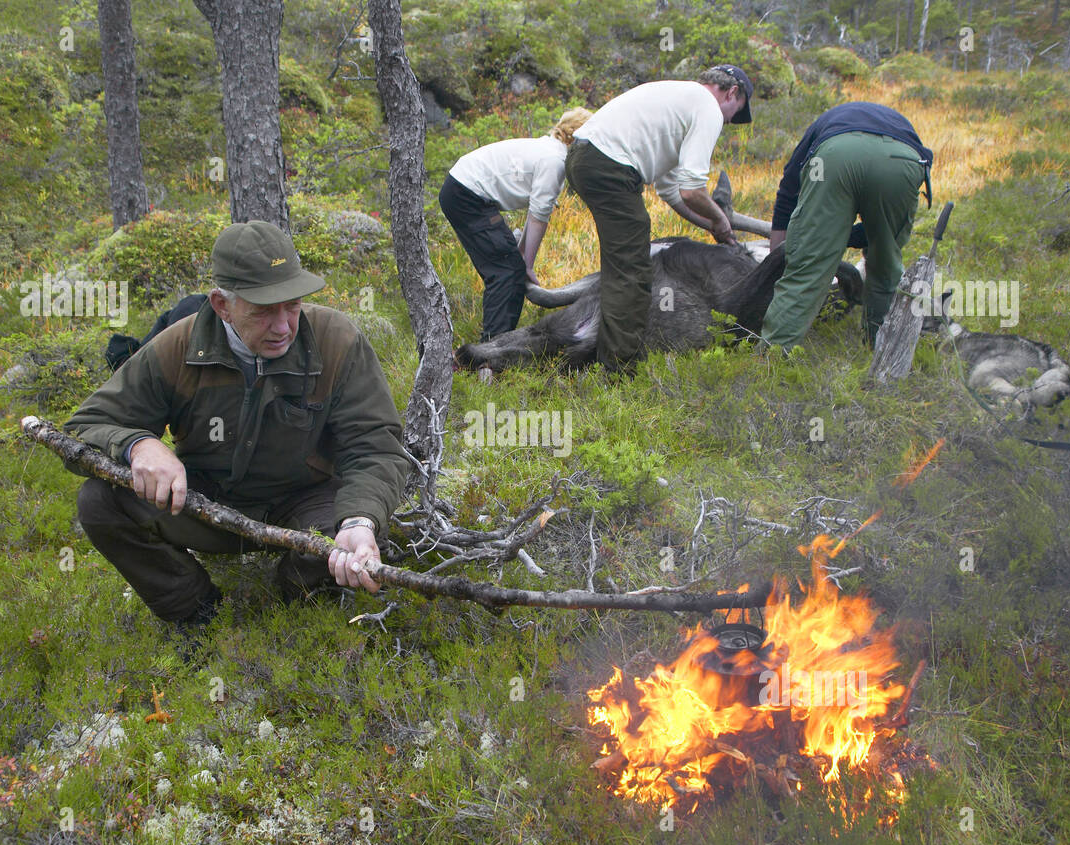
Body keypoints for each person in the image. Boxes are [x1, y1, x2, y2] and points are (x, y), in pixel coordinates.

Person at [65, 220, 410, 629]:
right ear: (221, 304)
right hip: (206, 501)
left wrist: (359, 520)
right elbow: (83, 427)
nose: (283, 326)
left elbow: (376, 446)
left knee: (360, 530)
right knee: (99, 500)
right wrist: (138, 445)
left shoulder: (338, 341)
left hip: (307, 501)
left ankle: (297, 600)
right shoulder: (177, 346)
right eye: (264, 310)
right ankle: (197, 613)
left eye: (293, 305)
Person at [563, 65, 753, 373]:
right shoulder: (708, 107)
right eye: (736, 112)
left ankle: (605, 350)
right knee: (633, 272)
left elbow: (672, 191)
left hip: (584, 157)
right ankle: (617, 369)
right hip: (610, 166)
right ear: (732, 92)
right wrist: (720, 219)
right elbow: (692, 190)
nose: (729, 121)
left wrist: (713, 226)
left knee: (622, 264)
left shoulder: (678, 98)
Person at [761, 102, 933, 351]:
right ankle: (882, 350)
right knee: (886, 265)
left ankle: (773, 356)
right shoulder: (900, 124)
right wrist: (871, 239)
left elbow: (789, 189)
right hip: (902, 161)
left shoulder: (825, 122)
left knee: (807, 269)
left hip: (834, 157)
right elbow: (884, 224)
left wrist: (781, 258)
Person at [440, 107, 594, 342]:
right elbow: (538, 217)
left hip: (462, 189)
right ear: (578, 138)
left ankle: (498, 341)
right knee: (506, 271)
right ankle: (492, 348)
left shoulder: (547, 149)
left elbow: (536, 213)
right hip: (466, 194)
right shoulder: (554, 160)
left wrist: (521, 255)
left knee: (508, 266)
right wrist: (527, 264)